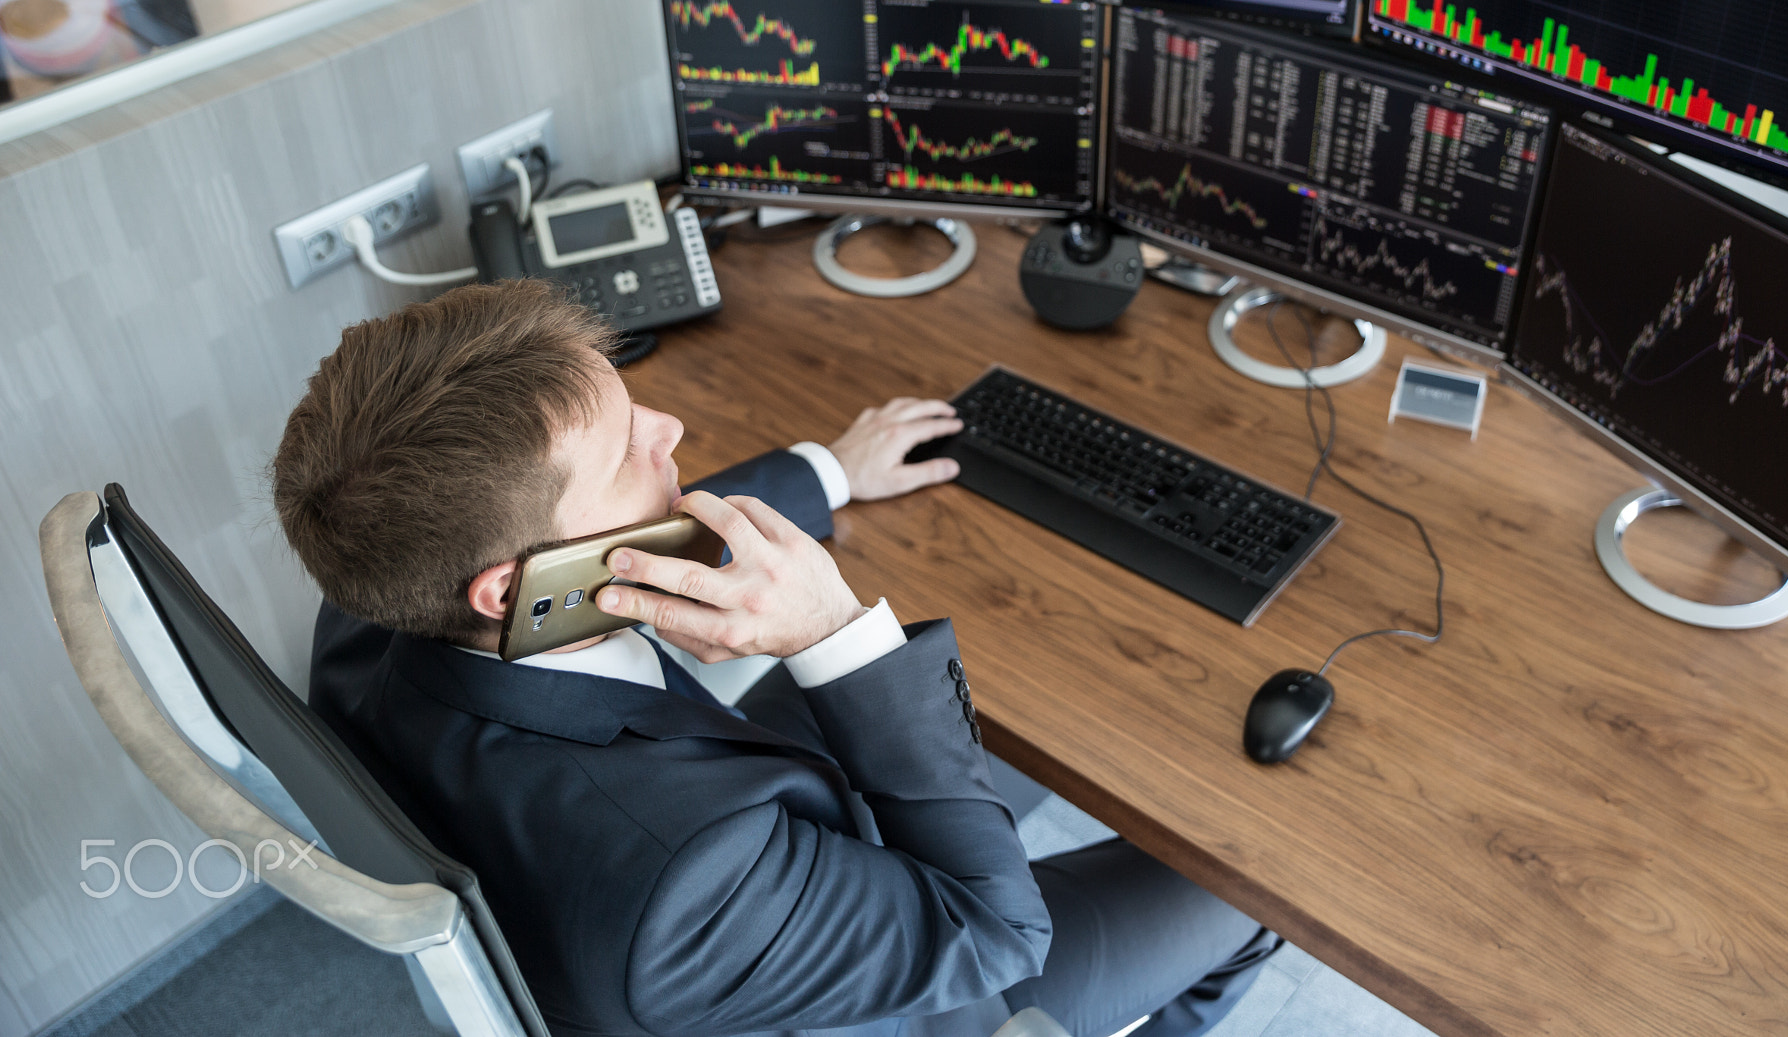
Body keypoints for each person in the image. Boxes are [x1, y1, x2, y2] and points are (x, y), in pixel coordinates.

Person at [275, 279, 1277, 1037]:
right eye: (631, 446)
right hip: (905, 974)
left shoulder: (375, 607)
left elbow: (545, 519)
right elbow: (997, 935)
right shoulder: (692, 889)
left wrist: (826, 471)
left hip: (676, 829)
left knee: (999, 689)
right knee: (1252, 882)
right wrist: (831, 638)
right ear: (515, 586)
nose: (670, 430)